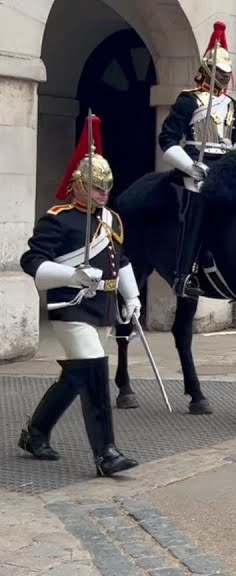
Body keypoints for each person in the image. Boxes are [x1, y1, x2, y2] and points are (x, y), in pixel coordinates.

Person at [18, 114, 139, 476]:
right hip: (70, 307)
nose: (104, 194)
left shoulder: (111, 220)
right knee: (96, 369)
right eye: (97, 187)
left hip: (101, 307)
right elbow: (33, 262)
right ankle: (106, 454)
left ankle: (35, 432)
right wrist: (72, 273)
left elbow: (123, 259)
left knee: (77, 375)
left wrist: (131, 298)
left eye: (107, 188)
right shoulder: (58, 219)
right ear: (78, 185)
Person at [158, 21, 236, 298]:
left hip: (226, 168)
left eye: (227, 74)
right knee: (197, 212)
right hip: (195, 168)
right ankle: (183, 273)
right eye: (219, 73)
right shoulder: (189, 100)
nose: (224, 79)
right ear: (207, 71)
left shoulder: (232, 105)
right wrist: (189, 166)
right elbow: (166, 140)